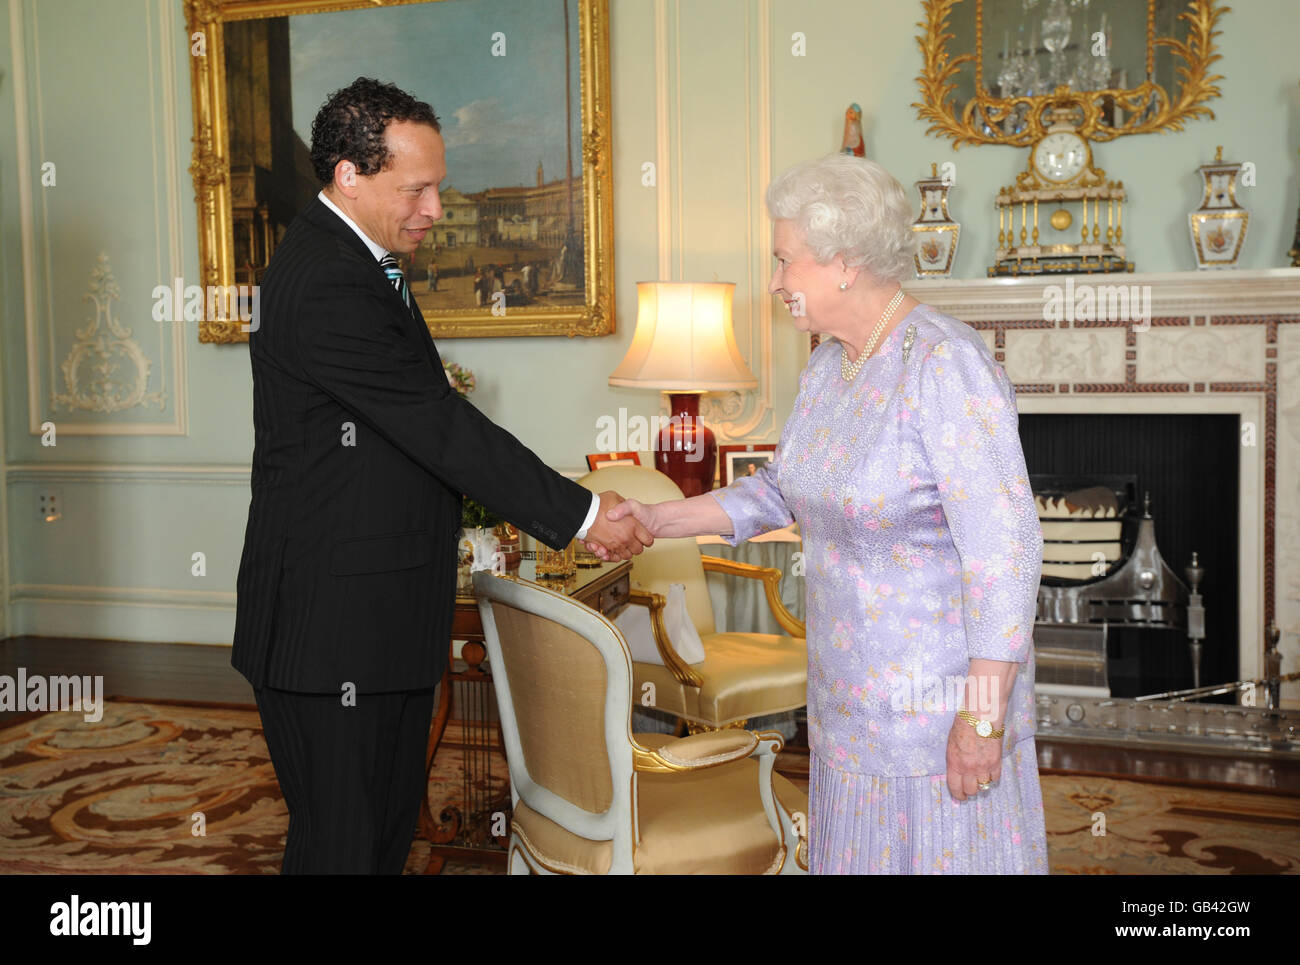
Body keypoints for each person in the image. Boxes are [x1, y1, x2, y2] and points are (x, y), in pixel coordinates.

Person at [232, 77, 651, 875]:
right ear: (350, 176)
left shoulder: (365, 261)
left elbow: (417, 431)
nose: (432, 208)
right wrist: (585, 513)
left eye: (439, 187)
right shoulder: (328, 276)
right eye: (416, 188)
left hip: (371, 618)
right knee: (342, 851)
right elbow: (440, 426)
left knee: (378, 843)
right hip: (332, 631)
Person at [605, 153, 1048, 874]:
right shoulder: (826, 367)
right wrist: (659, 521)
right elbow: (781, 490)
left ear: (843, 262)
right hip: (847, 706)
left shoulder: (943, 364)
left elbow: (1008, 552)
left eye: (786, 261)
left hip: (935, 716)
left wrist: (982, 715)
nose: (776, 281)